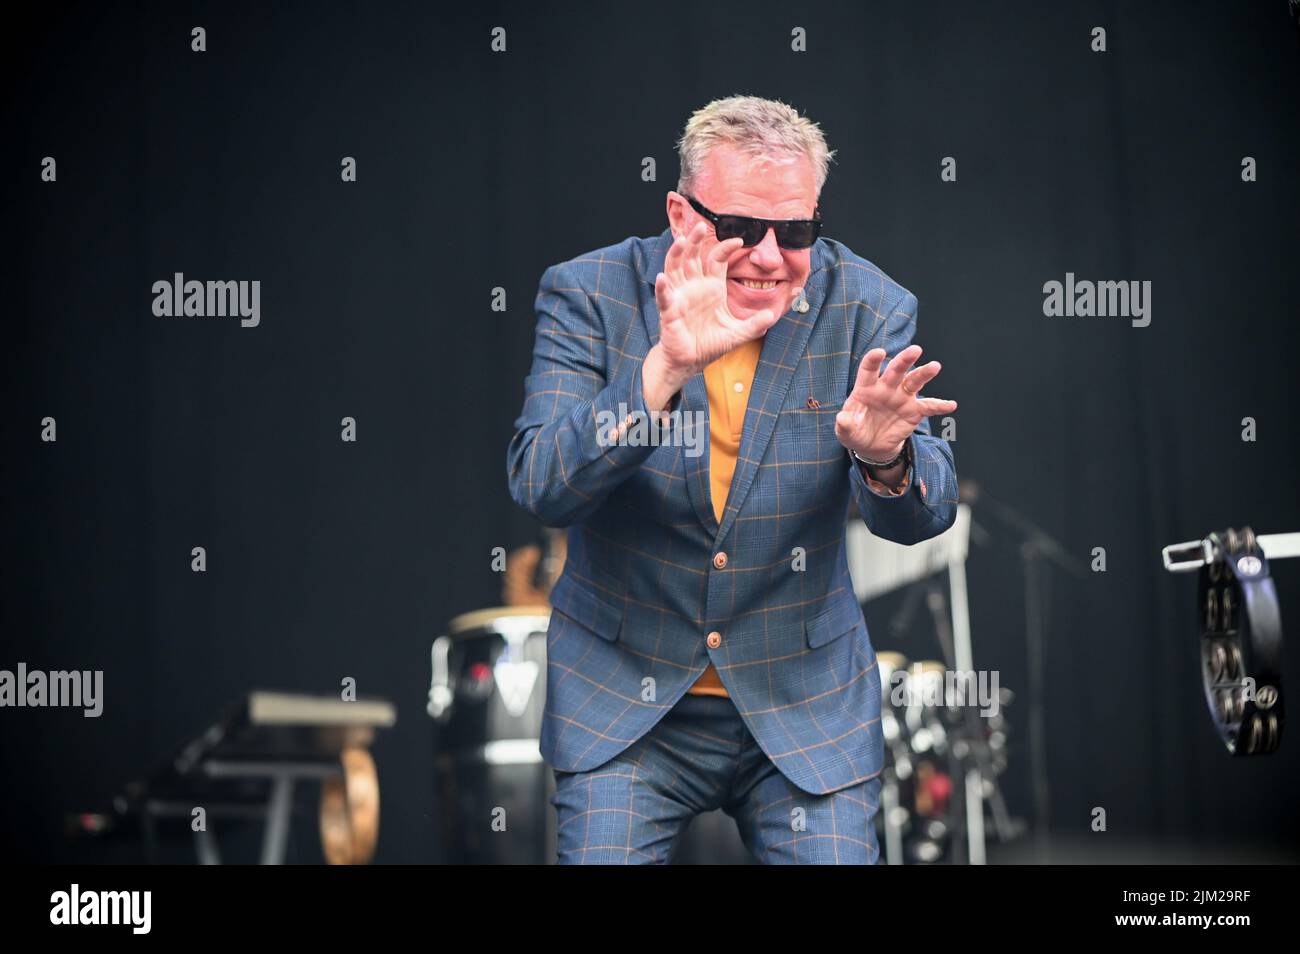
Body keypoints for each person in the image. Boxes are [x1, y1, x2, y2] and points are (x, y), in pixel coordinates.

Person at [507, 94, 958, 863]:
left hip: (802, 704)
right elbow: (541, 482)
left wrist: (884, 459)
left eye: (796, 232)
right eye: (742, 228)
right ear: (680, 214)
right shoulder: (589, 293)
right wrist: (661, 371)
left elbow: (924, 512)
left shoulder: (867, 306)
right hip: (627, 703)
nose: (769, 256)